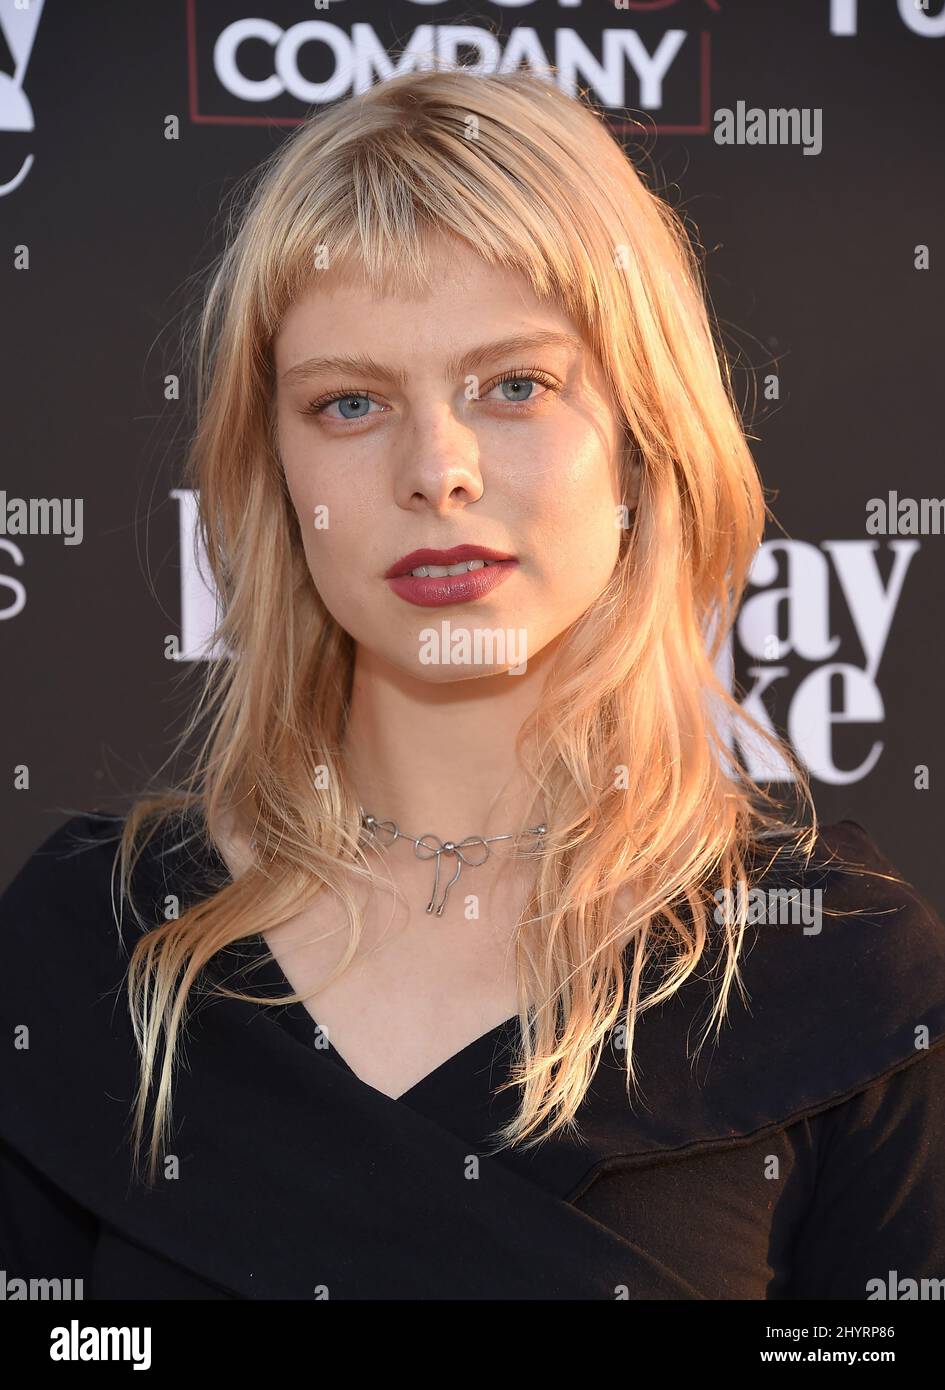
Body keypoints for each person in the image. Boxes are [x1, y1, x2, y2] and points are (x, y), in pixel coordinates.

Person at [1, 67, 943, 1302]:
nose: (436, 469)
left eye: (515, 385)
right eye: (349, 402)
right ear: (272, 470)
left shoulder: (841, 964)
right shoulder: (87, 947)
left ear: (646, 428)